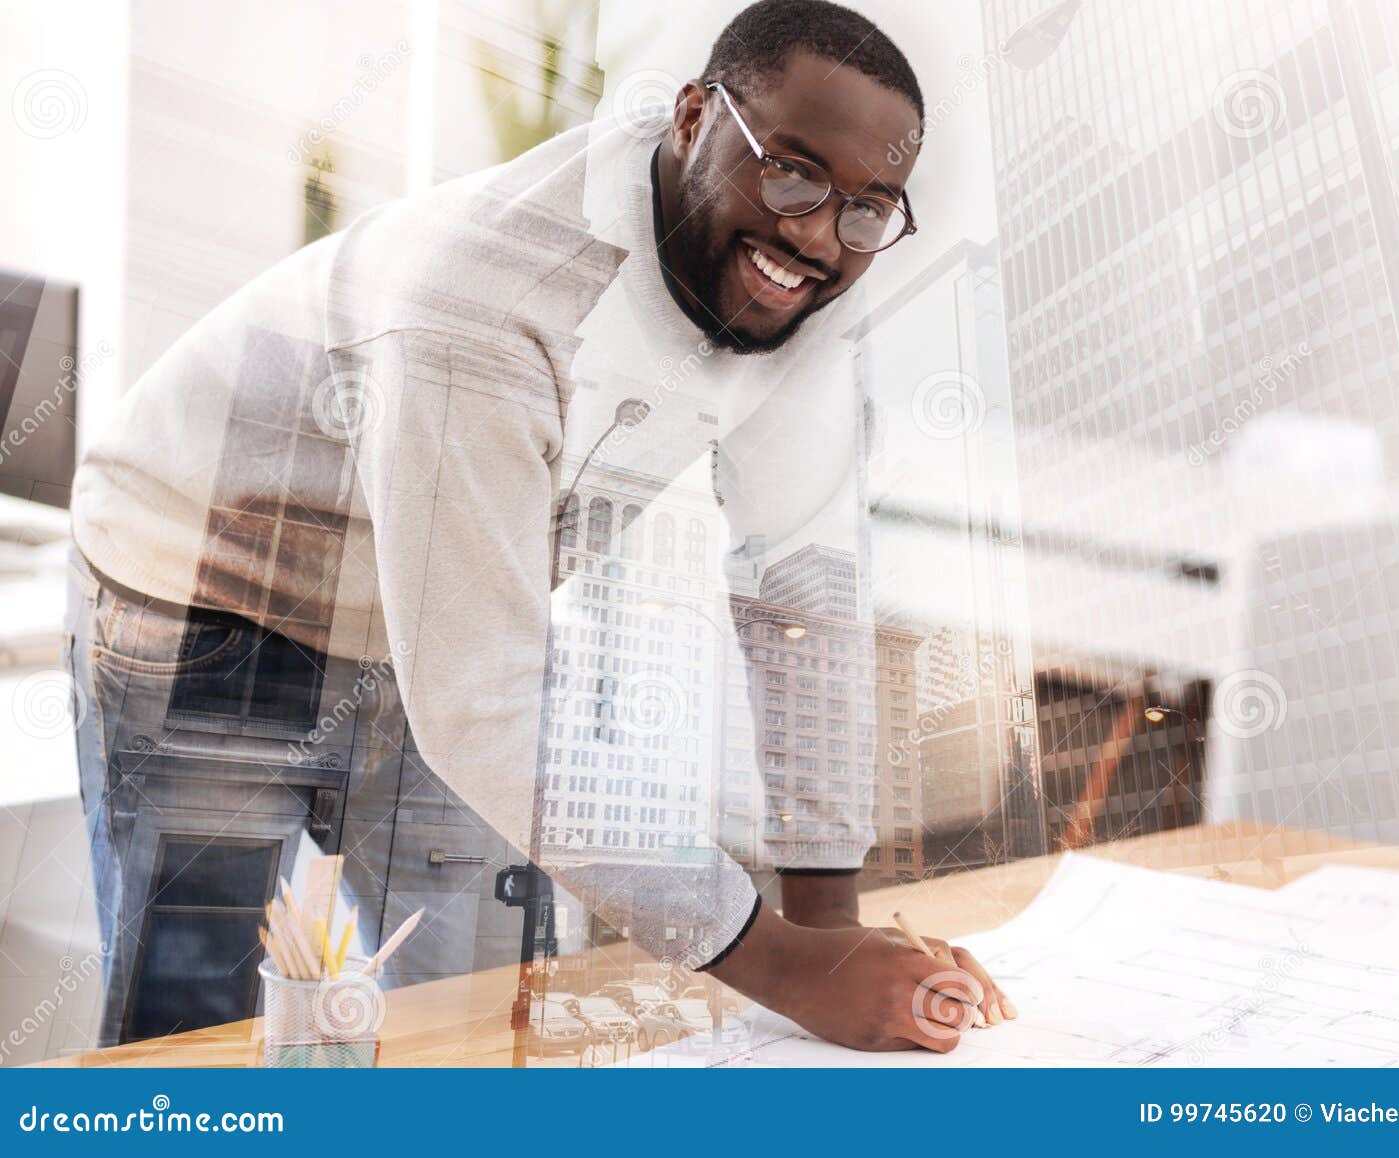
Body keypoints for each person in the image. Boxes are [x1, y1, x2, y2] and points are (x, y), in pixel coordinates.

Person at [67, 0, 1013, 1052]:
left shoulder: (797, 298)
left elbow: (807, 598)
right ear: (695, 118)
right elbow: (485, 707)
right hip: (209, 589)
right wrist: (776, 961)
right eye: (790, 174)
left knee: (488, 1005)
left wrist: (831, 933)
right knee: (190, 1014)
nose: (816, 236)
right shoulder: (487, 301)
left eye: (867, 209)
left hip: (442, 608)